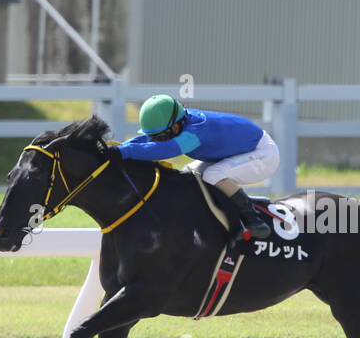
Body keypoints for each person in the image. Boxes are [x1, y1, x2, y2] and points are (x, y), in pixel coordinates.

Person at [114, 94, 278, 240]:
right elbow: (145, 140)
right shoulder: (179, 121)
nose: (157, 140)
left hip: (263, 154)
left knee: (212, 174)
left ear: (176, 127)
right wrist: (116, 148)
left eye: (161, 136)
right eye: (154, 136)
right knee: (186, 174)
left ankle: (254, 220)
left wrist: (123, 152)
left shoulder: (197, 130)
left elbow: (164, 149)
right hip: (236, 153)